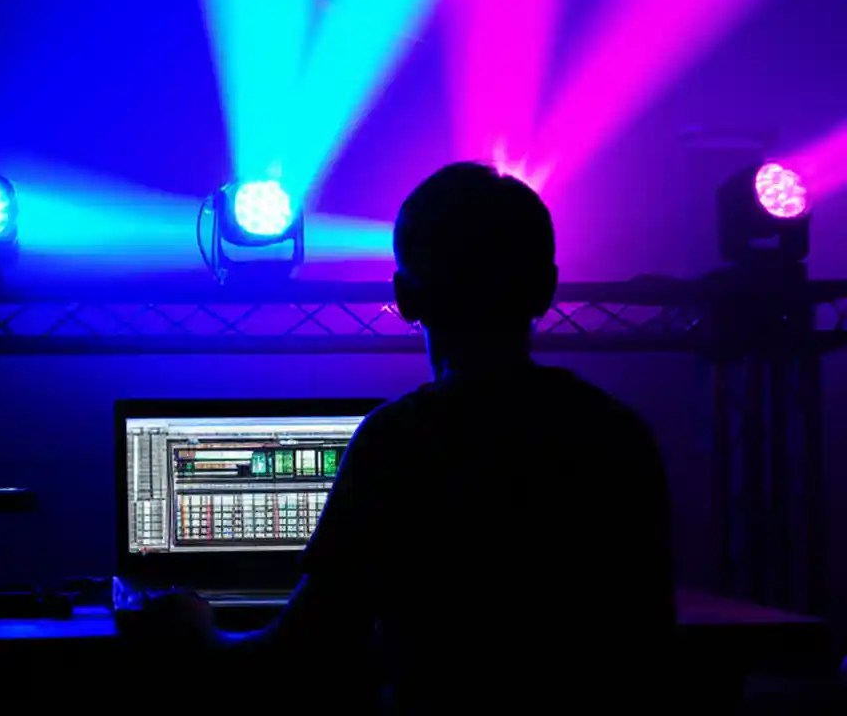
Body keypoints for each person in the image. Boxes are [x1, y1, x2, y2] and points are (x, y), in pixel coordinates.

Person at [131, 162, 676, 713]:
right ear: (547, 289)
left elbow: (290, 655)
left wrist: (193, 628)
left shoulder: (400, 439)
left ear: (404, 297)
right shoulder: (620, 434)